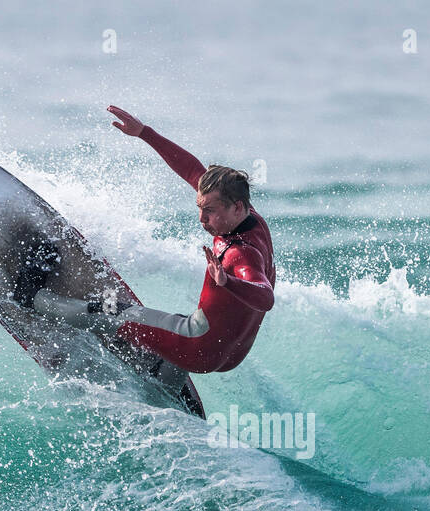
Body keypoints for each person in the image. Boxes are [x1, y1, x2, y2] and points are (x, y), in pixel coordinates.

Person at [16, 106, 275, 377]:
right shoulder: (249, 216)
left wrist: (227, 281)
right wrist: (144, 133)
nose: (201, 218)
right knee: (174, 322)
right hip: (229, 355)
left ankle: (33, 298)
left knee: (109, 311)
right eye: (200, 207)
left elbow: (265, 296)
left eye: (209, 211)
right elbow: (191, 170)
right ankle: (166, 372)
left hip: (196, 345)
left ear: (236, 207)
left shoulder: (242, 255)